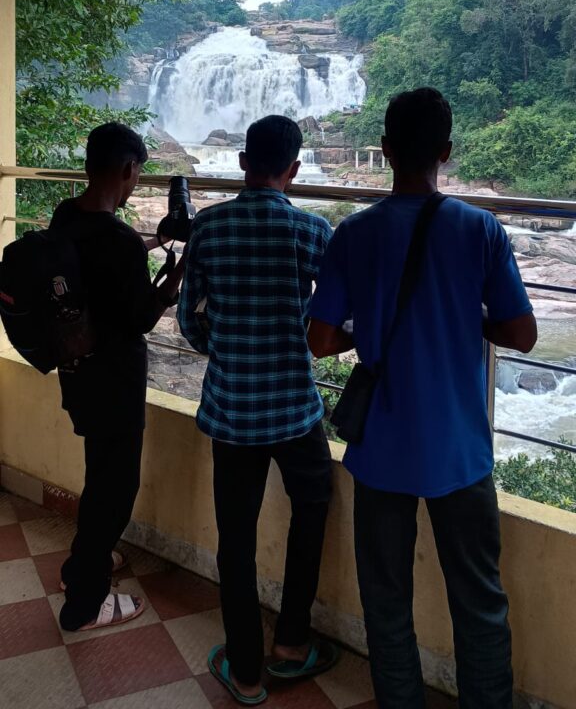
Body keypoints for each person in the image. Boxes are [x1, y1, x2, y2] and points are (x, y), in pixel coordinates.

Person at [308, 88, 537, 709]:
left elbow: (321, 339)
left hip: (381, 450)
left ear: (383, 152)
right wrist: (466, 320)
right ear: (446, 151)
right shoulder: (479, 228)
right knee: (479, 602)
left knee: (386, 601)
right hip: (461, 451)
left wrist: (373, 331)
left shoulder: (353, 234)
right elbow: (522, 332)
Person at [178, 115, 337, 706]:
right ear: (294, 170)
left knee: (236, 539)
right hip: (297, 410)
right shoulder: (313, 231)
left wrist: (219, 351)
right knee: (313, 512)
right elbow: (335, 320)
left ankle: (245, 673)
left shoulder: (209, 228)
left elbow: (188, 319)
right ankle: (292, 643)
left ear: (243, 163)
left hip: (231, 412)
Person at [50, 122, 185, 632]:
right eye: (136, 176)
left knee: (98, 476)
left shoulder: (68, 217)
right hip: (116, 383)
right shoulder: (121, 243)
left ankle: (84, 563)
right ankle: (84, 603)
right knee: (116, 489)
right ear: (129, 169)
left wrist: (155, 239)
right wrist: (172, 284)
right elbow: (140, 319)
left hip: (78, 374)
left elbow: (108, 253)